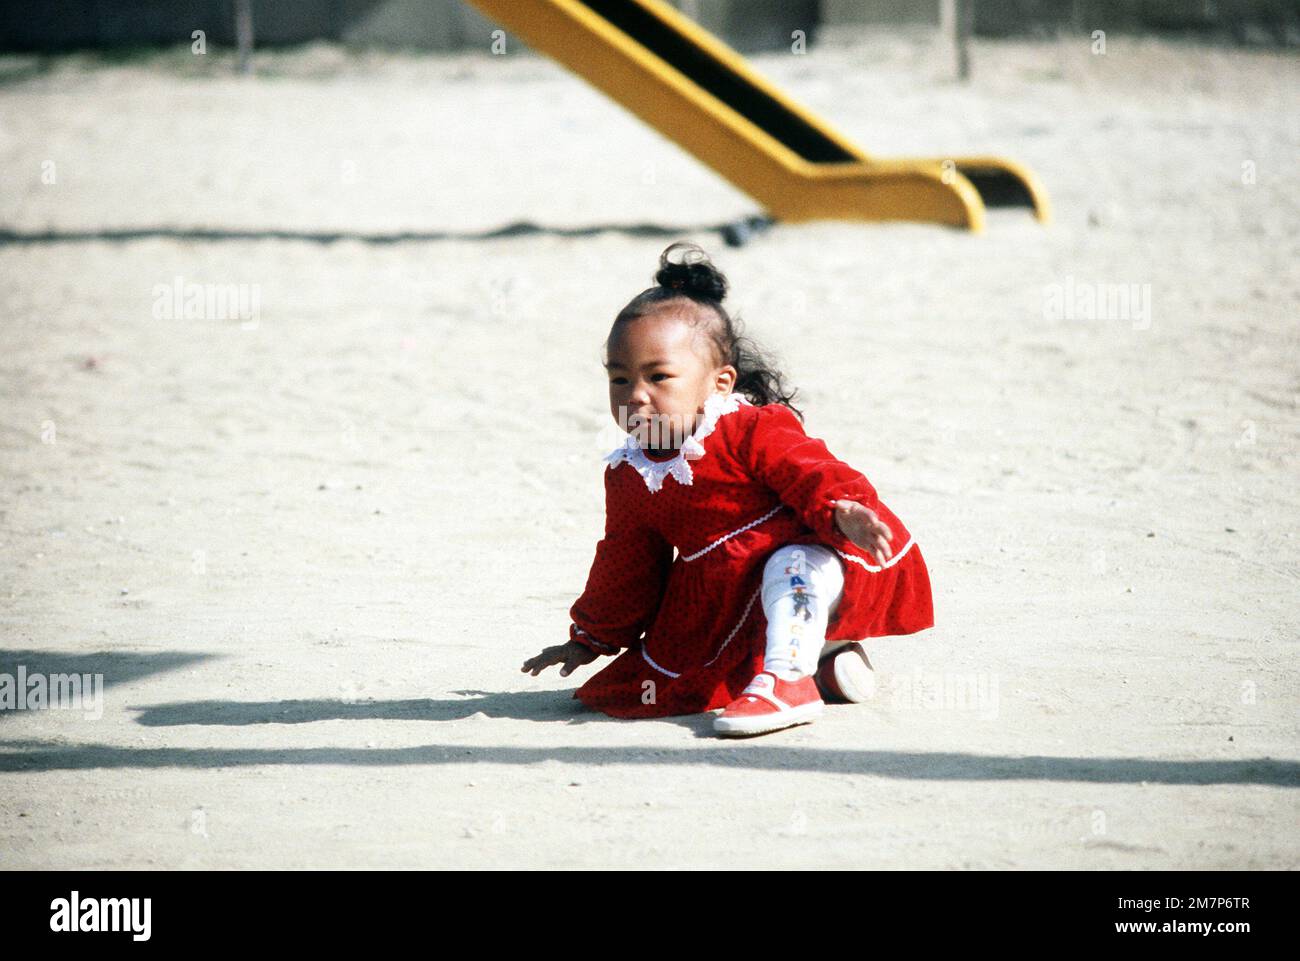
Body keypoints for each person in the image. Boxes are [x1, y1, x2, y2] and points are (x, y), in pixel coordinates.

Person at [521, 242, 933, 736]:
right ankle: (826, 659)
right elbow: (626, 562)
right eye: (619, 378)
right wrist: (590, 637)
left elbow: (813, 470)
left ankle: (787, 682)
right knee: (677, 670)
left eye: (659, 377)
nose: (635, 395)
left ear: (719, 383)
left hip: (831, 553)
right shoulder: (629, 474)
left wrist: (843, 509)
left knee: (790, 564)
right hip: (728, 595)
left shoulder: (749, 428)